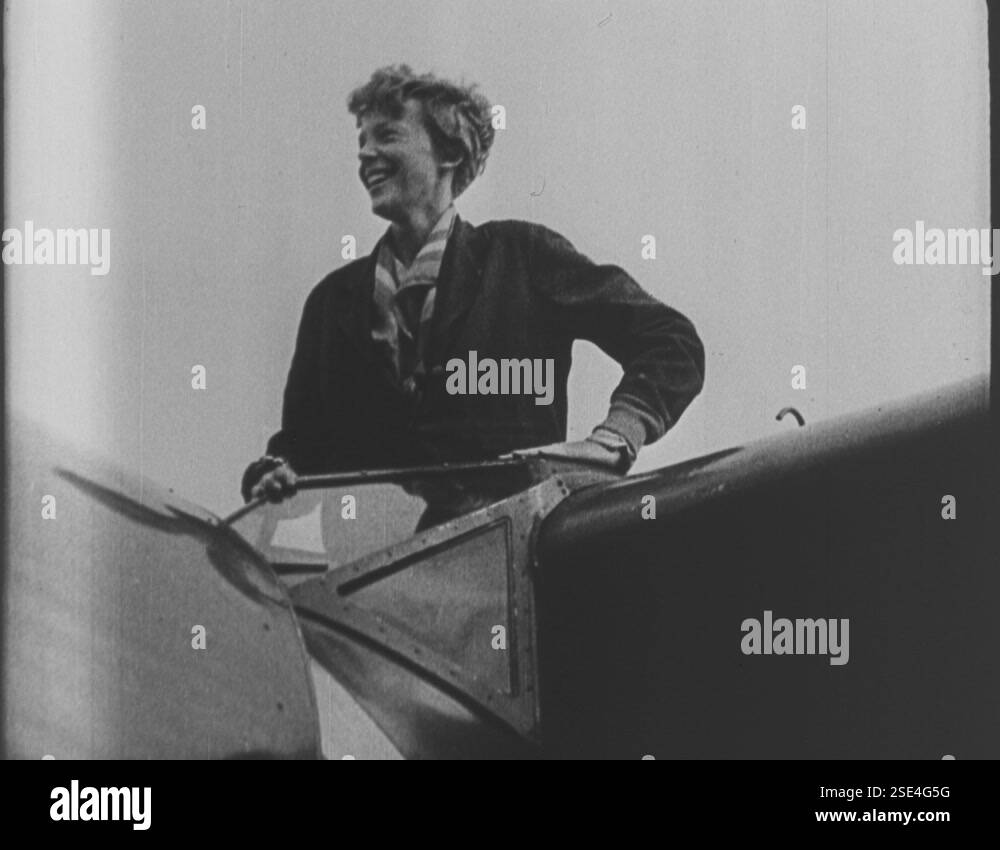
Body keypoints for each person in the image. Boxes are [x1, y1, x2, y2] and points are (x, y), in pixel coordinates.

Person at [242, 65, 705, 504]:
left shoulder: (523, 256)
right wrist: (275, 472)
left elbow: (671, 343)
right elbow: (300, 450)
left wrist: (617, 435)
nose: (364, 154)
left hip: (503, 572)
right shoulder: (331, 302)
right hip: (364, 580)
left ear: (450, 153)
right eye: (361, 141)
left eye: (387, 135)